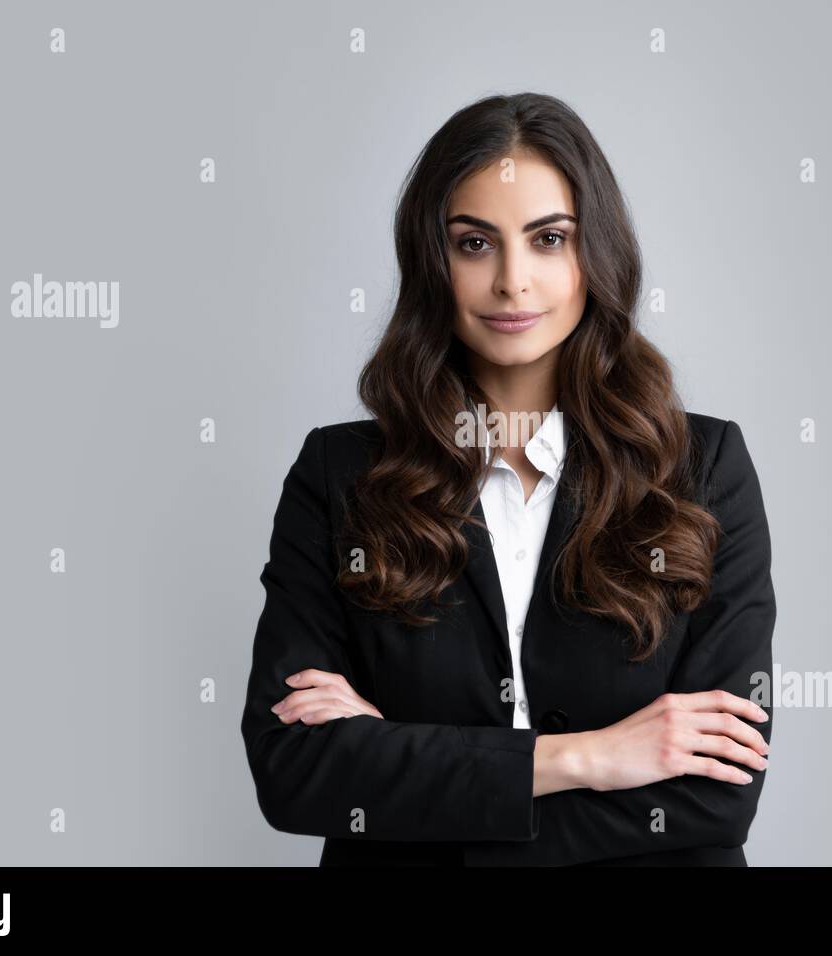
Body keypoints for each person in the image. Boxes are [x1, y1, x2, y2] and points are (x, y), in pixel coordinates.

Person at [240, 91, 776, 867]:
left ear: (596, 253)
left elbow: (716, 797)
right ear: (434, 261)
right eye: (475, 243)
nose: (512, 282)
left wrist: (400, 763)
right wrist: (585, 758)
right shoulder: (340, 478)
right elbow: (295, 771)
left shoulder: (702, 471)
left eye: (549, 238)